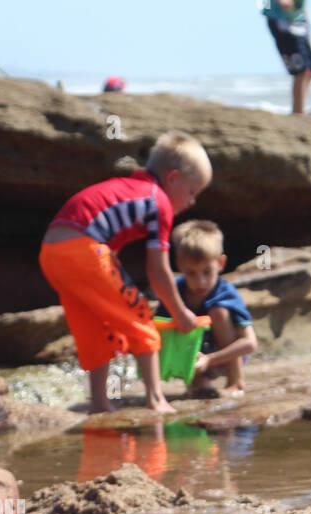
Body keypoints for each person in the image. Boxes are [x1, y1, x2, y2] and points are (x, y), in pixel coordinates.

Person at [39, 132, 211, 414]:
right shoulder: (159, 203)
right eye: (192, 192)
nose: (192, 202)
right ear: (173, 178)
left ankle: (99, 402)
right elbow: (158, 270)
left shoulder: (129, 188)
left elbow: (106, 244)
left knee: (93, 325)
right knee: (139, 315)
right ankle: (156, 399)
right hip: (83, 248)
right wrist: (178, 312)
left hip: (51, 252)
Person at [166, 220, 257, 397]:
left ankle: (235, 381)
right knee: (178, 319)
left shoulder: (226, 293)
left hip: (226, 355)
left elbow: (250, 343)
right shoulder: (176, 292)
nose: (200, 282)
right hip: (195, 357)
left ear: (221, 263)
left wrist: (210, 359)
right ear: (179, 265)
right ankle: (198, 381)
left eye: (207, 272)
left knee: (219, 312)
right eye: (191, 273)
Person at [262, 0, 311, 115]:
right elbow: (283, 5)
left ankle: (300, 111)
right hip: (282, 22)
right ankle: (298, 113)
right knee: (301, 70)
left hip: (298, 21)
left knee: (310, 70)